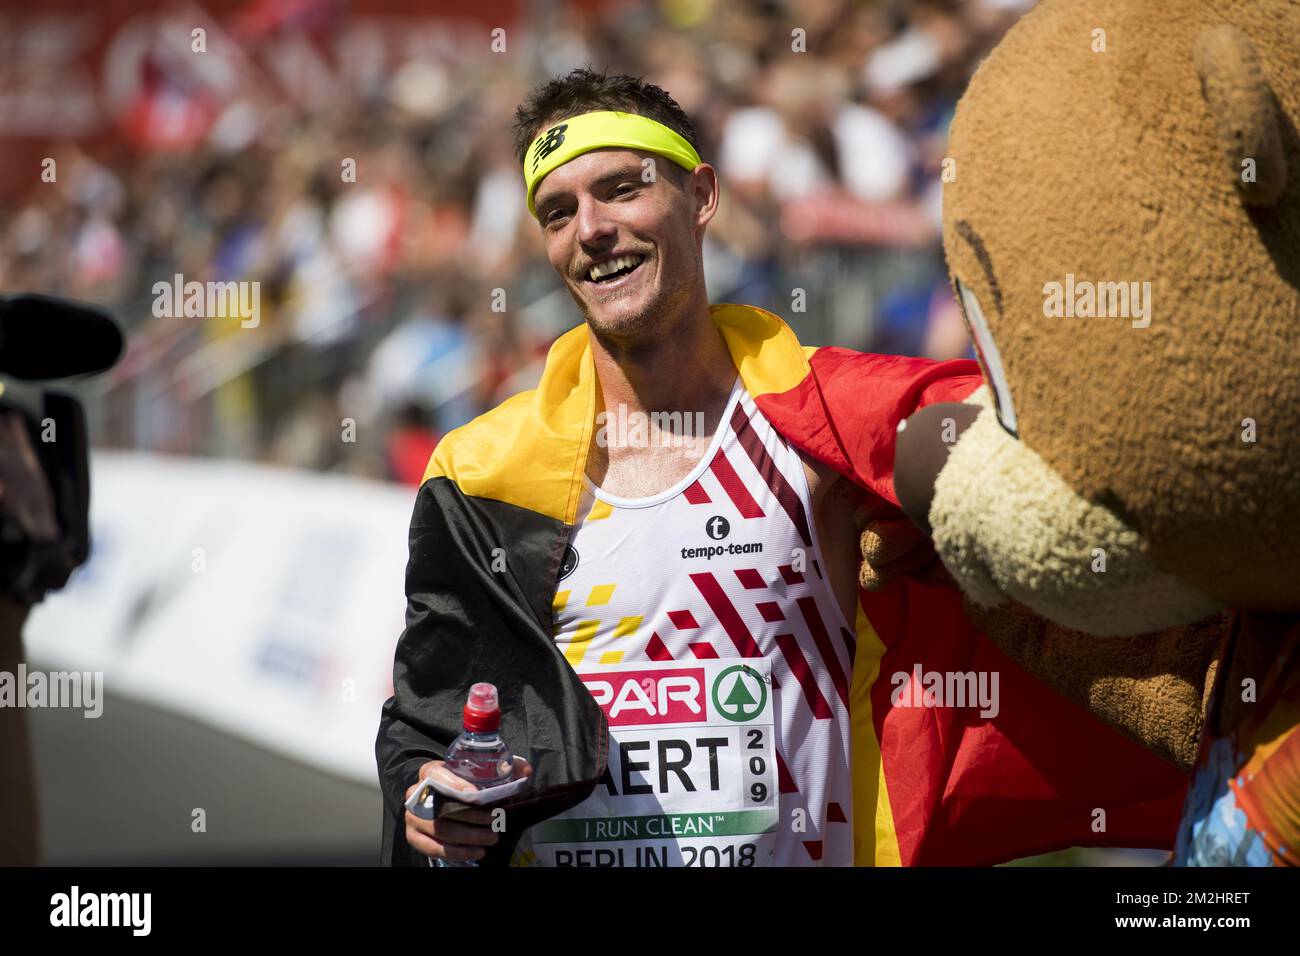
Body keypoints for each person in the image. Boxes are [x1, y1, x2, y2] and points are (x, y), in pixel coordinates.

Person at [375, 68, 1189, 867]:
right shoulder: (487, 476)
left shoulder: (827, 433)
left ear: (701, 198)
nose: (590, 228)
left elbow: (1065, 459)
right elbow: (429, 719)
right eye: (558, 211)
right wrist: (425, 798)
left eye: (622, 189)